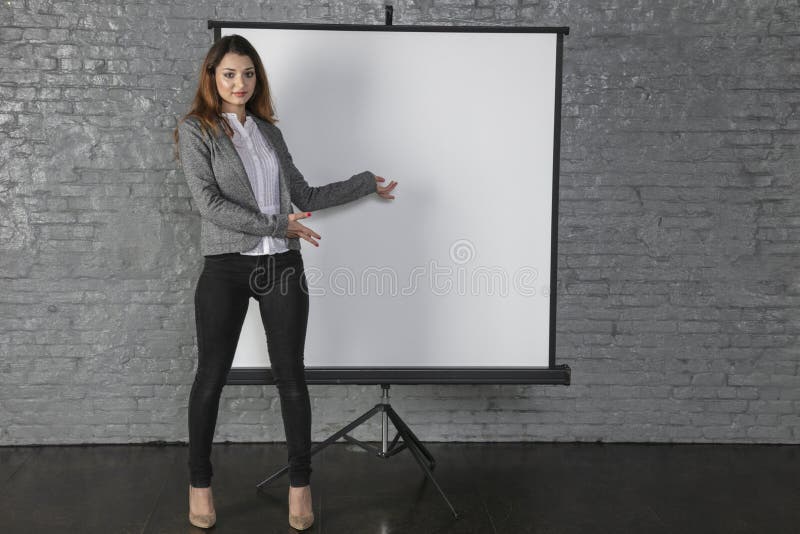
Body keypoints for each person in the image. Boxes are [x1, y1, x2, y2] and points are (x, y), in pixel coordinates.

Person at [173, 34, 397, 530]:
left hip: (282, 267)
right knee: (210, 378)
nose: (239, 83)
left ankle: (300, 485)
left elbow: (304, 194)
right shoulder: (196, 130)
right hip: (226, 267)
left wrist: (365, 184)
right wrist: (278, 225)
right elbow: (209, 204)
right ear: (212, 77)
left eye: (248, 74)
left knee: (291, 378)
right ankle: (199, 483)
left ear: (257, 78)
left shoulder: (268, 133)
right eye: (229, 74)